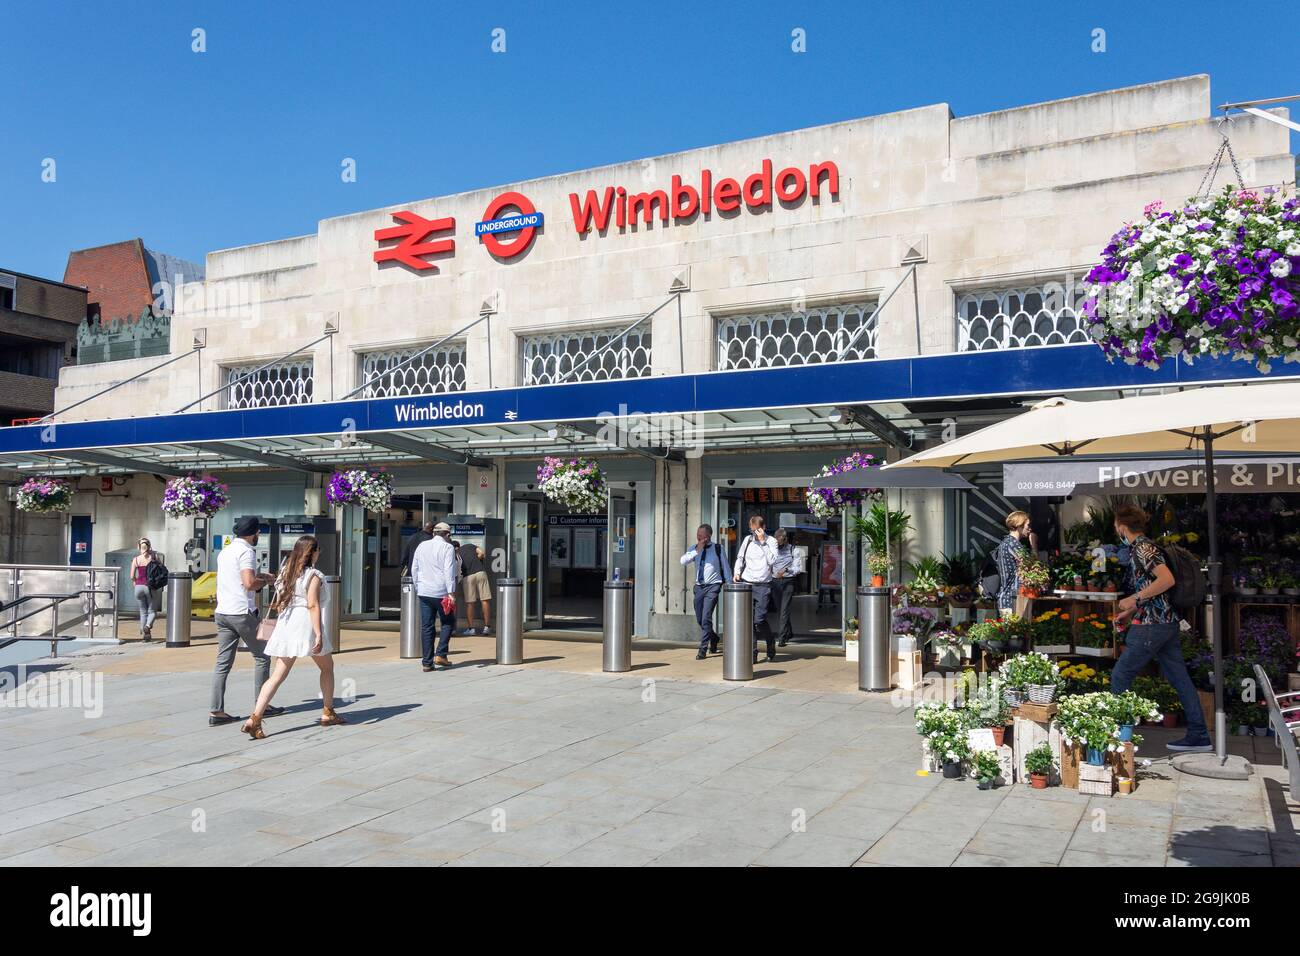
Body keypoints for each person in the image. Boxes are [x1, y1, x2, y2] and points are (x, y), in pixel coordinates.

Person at [1109, 504, 1212, 753]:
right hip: (1164, 622)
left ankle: (1118, 736)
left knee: (1120, 676)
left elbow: (1167, 580)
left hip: (1152, 627)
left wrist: (1134, 599)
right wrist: (1130, 610)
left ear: (1122, 527)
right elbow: (1155, 591)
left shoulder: (1143, 549)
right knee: (1180, 679)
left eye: (1115, 526)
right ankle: (1199, 735)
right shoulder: (1145, 547)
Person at [241, 535, 345, 739]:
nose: (318, 554)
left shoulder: (284, 574)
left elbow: (280, 603)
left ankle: (255, 717)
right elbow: (313, 604)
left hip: (286, 623)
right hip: (304, 623)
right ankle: (327, 711)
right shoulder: (313, 575)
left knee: (277, 675)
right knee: (327, 667)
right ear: (311, 552)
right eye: (317, 551)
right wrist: (318, 633)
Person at [210, 516, 279, 727]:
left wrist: (262, 576)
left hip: (223, 612)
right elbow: (249, 583)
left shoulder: (227, 551)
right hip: (242, 613)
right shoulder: (247, 551)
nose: (259, 535)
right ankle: (262, 705)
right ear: (253, 533)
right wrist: (265, 582)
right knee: (263, 655)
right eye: (258, 532)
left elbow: (237, 576)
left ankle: (216, 711)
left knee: (223, 663)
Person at [733, 514, 779, 663]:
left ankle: (770, 642)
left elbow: (772, 560)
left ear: (763, 528)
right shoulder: (747, 540)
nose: (754, 533)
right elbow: (740, 558)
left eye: (757, 530)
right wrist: (737, 572)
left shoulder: (772, 541)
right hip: (747, 582)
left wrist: (763, 542)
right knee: (748, 620)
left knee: (759, 620)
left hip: (763, 585)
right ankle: (752, 652)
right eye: (752, 530)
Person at [412, 521, 458, 671]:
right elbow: (448, 571)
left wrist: (418, 586)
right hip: (441, 592)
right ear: (447, 534)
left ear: (434, 533)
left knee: (427, 626)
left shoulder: (422, 546)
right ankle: (441, 654)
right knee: (448, 621)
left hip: (424, 591)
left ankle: (427, 663)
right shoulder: (448, 547)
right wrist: (451, 592)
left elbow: (414, 568)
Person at [681, 523, 730, 660]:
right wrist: (697, 550)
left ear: (708, 536)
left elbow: (725, 567)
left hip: (713, 586)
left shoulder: (718, 549)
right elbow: (683, 561)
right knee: (700, 618)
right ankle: (713, 638)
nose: (698, 537)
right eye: (697, 535)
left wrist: (730, 585)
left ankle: (703, 648)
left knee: (706, 616)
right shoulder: (694, 549)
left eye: (701, 535)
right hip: (699, 587)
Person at [993, 510, 1033, 617]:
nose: (1030, 528)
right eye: (1027, 525)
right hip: (1012, 600)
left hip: (1007, 598)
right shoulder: (1013, 544)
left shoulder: (1007, 542)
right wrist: (1034, 545)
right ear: (1018, 525)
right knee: (1016, 633)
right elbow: (1031, 567)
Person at [772, 529, 804, 647]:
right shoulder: (772, 549)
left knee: (784, 610)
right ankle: (788, 632)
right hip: (775, 581)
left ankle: (782, 637)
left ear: (785, 540)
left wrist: (786, 570)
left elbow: (798, 569)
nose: (779, 545)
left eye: (781, 542)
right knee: (780, 610)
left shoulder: (793, 550)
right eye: (777, 542)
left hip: (788, 581)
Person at [129, 537, 163, 641]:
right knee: (152, 611)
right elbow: (162, 568)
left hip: (138, 587)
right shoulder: (154, 557)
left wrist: (135, 582)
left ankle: (144, 634)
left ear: (139, 546)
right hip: (150, 587)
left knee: (142, 611)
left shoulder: (136, 559)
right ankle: (147, 626)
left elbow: (131, 576)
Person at [459, 540, 493, 635]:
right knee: (485, 600)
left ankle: (471, 629)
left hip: (468, 576)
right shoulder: (471, 546)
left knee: (470, 603)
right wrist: (478, 559)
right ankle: (487, 627)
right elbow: (482, 553)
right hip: (480, 572)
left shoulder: (457, 553)